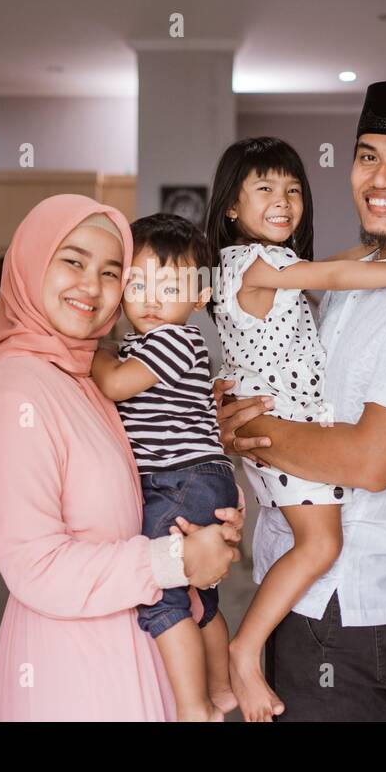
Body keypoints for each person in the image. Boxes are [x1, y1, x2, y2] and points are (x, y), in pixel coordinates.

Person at [216, 82, 386, 722]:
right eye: (368, 155)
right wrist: (238, 423)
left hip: (343, 601)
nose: (381, 177)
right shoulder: (358, 279)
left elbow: (371, 461)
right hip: (295, 584)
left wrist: (251, 429)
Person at [0, 194, 242, 721]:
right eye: (72, 260)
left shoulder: (84, 373)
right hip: (72, 677)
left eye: (112, 271)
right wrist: (178, 558)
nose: (92, 286)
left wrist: (217, 515)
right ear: (29, 264)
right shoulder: (14, 394)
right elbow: (35, 567)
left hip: (137, 653)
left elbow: (145, 470)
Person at [91, 213, 239, 722]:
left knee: (159, 590)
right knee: (200, 589)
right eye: (137, 282)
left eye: (169, 285)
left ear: (200, 297)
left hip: (181, 476)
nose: (150, 299)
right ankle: (221, 688)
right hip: (193, 476)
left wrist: (85, 347)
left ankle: (193, 706)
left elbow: (113, 385)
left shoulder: (176, 340)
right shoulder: (145, 343)